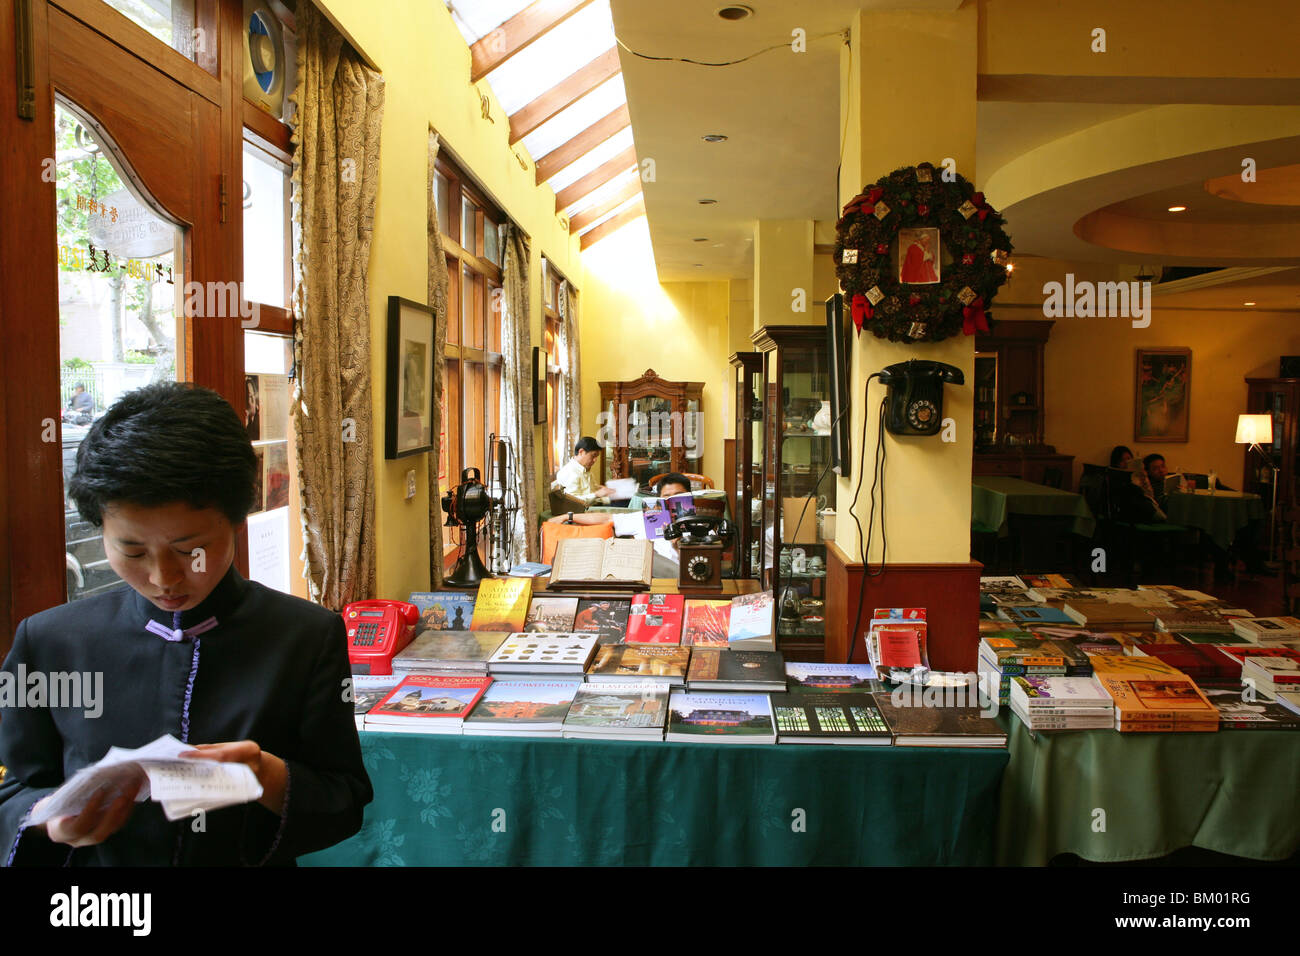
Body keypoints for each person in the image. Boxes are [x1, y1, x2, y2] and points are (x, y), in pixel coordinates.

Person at [0, 382, 372, 865]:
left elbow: (344, 800)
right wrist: (48, 815)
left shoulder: (306, 636)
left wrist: (265, 775)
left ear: (238, 518)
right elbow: (15, 788)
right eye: (132, 551)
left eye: (190, 549)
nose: (164, 577)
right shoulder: (49, 642)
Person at [547, 473, 693, 576]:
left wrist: (679, 546)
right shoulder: (642, 519)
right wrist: (568, 516)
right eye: (667, 497)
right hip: (650, 577)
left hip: (683, 577)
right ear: (659, 499)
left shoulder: (700, 525)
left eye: (679, 495)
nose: (672, 499)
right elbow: (606, 519)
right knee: (646, 554)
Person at [553, 436, 614, 504]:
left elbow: (592, 489)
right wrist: (596, 494)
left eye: (596, 457)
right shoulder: (569, 472)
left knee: (623, 501)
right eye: (593, 455)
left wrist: (602, 490)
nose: (595, 460)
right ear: (581, 452)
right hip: (580, 511)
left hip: (593, 506)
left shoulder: (585, 469)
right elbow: (573, 501)